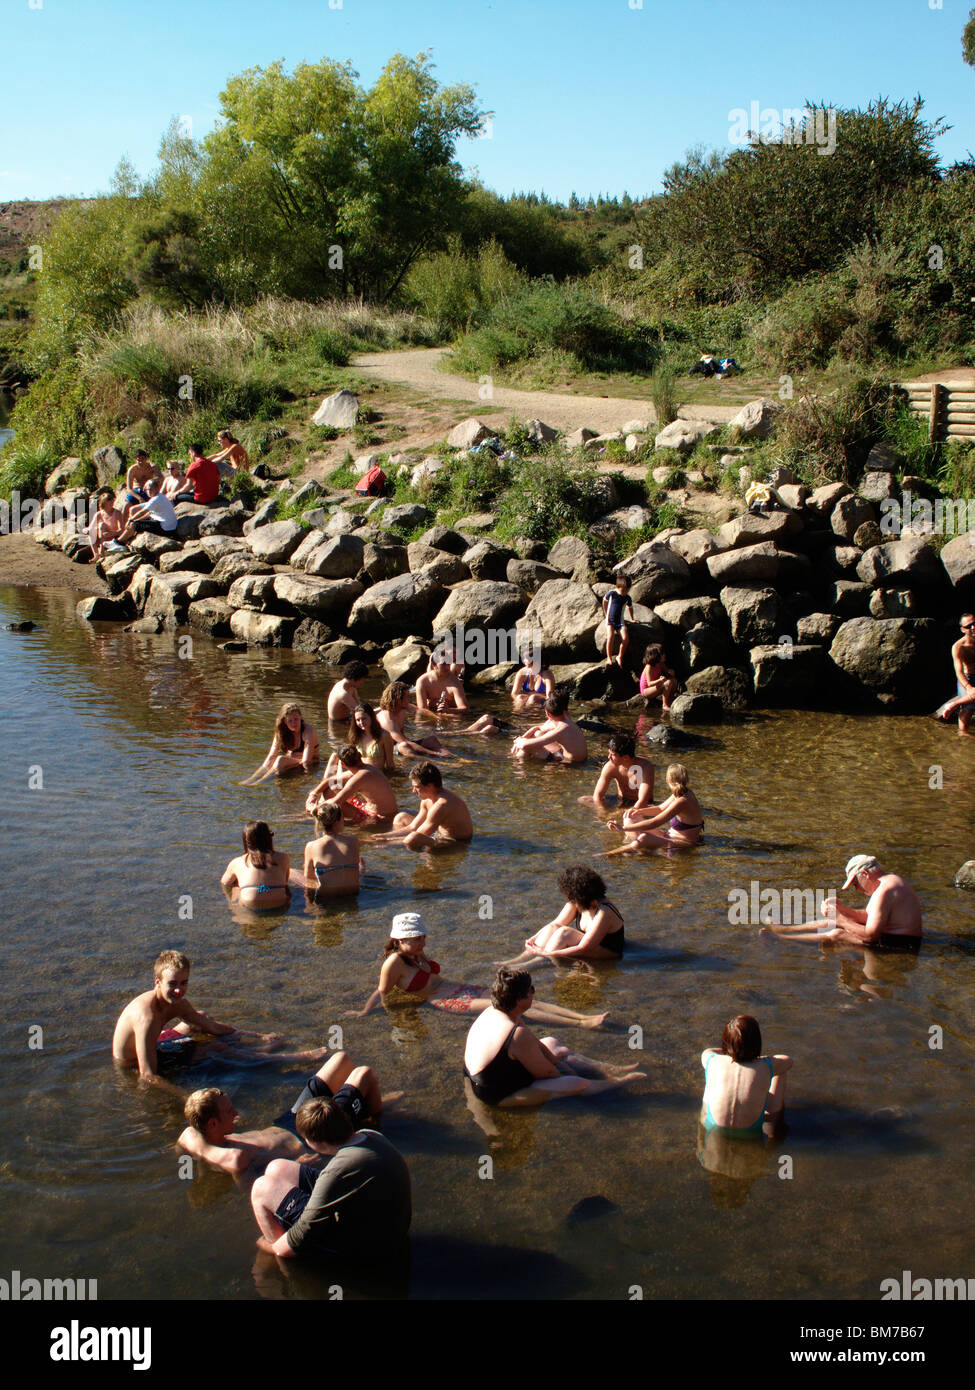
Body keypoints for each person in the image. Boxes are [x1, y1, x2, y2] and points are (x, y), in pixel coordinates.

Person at [112, 950, 322, 1097]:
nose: (179, 990)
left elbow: (213, 1028)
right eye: (172, 984)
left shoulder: (176, 1003)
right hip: (133, 1062)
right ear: (157, 982)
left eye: (184, 983)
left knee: (199, 1020)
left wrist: (257, 1035)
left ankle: (260, 1046)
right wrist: (184, 1097)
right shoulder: (146, 1017)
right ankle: (286, 1059)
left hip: (155, 1043)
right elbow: (147, 1075)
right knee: (216, 1048)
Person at [346, 914, 608, 1025]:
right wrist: (369, 1011)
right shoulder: (393, 962)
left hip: (456, 987)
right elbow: (382, 992)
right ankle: (583, 1025)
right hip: (443, 999)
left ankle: (582, 1017)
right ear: (399, 941)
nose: (421, 942)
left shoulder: (416, 953)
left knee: (522, 998)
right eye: (415, 939)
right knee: (511, 1008)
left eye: (422, 937)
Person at [249, 1102, 412, 1269]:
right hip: (388, 1228)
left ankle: (286, 1262)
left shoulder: (338, 1170)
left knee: (261, 1188)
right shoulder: (369, 1135)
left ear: (313, 1142)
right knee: (277, 1167)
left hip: (370, 1250)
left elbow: (301, 1233)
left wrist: (272, 1248)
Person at [463, 968, 645, 1107]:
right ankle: (617, 1082)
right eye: (531, 990)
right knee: (576, 1083)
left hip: (500, 1071)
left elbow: (538, 1045)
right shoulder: (516, 1033)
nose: (534, 993)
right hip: (496, 1093)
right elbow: (546, 1073)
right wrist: (565, 1074)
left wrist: (561, 1063)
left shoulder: (497, 1010)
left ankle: (610, 1069)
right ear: (519, 1000)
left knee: (551, 1043)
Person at [760, 854, 922, 951]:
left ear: (865, 874)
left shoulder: (884, 890)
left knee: (836, 933)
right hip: (895, 937)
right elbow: (868, 917)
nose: (856, 889)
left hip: (902, 945)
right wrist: (842, 910)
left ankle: (781, 938)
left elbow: (872, 935)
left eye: (855, 884)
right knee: (831, 922)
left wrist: (840, 919)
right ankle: (785, 928)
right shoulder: (887, 882)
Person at [500, 866, 626, 966]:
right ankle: (519, 959)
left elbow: (584, 947)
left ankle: (533, 964)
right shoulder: (578, 902)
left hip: (608, 952)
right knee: (553, 928)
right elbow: (556, 924)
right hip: (587, 946)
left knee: (564, 933)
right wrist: (534, 938)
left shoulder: (604, 911)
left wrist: (546, 953)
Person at [700, 1015, 791, 1137]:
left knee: (711, 1075)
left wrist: (730, 1049)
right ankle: (772, 1128)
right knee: (780, 1071)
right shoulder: (766, 1065)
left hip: (714, 1125)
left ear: (726, 1042)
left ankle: (702, 1139)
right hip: (750, 1129)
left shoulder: (712, 1059)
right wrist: (764, 1060)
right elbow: (788, 1061)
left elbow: (709, 1051)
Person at [603, 762, 703, 853]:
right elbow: (660, 809)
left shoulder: (683, 801)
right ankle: (639, 850)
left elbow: (655, 822)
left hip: (683, 843)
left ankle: (610, 854)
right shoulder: (682, 793)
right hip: (668, 836)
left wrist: (623, 828)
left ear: (667, 780)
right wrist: (637, 811)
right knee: (629, 817)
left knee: (643, 839)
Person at [370, 761, 471, 849]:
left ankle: (388, 847)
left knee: (413, 838)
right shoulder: (427, 800)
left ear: (430, 786)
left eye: (416, 787)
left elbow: (418, 834)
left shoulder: (442, 805)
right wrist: (384, 835)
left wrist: (385, 841)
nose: (413, 791)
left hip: (454, 842)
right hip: (438, 835)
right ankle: (395, 846)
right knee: (400, 818)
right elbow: (413, 827)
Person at [305, 745, 398, 822]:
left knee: (327, 807)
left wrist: (313, 808)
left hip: (378, 818)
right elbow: (330, 780)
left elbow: (336, 802)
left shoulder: (360, 777)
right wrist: (313, 794)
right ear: (360, 755)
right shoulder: (366, 768)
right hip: (369, 808)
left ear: (342, 764)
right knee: (331, 789)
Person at [241, 702, 320, 785]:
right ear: (285, 722)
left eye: (296, 719)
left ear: (300, 716)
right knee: (275, 761)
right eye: (290, 721)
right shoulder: (281, 731)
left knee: (279, 760)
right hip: (293, 762)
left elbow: (306, 761)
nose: (294, 723)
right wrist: (255, 776)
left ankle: (259, 783)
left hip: (310, 765)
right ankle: (251, 781)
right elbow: (271, 757)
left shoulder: (308, 731)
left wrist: (282, 762)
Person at [220, 822, 291, 911]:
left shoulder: (237, 862)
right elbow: (285, 881)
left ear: (246, 840)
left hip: (251, 902)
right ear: (269, 838)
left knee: (235, 887)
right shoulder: (283, 857)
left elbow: (225, 883)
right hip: (279, 900)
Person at [511, 688, 588, 764]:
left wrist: (518, 740)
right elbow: (537, 728)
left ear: (548, 714)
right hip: (567, 755)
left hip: (569, 763)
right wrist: (524, 737)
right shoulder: (565, 718)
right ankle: (518, 759)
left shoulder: (561, 729)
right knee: (537, 733)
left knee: (529, 748)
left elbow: (524, 745)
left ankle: (517, 765)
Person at [303, 801, 361, 897]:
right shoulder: (353, 842)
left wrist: (309, 905)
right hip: (352, 893)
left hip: (327, 896)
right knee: (360, 865)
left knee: (293, 873)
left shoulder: (311, 846)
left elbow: (308, 880)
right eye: (343, 818)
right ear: (337, 821)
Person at [580, 733, 655, 808]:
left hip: (644, 804)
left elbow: (643, 800)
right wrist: (602, 812)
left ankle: (622, 813)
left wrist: (629, 811)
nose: (609, 757)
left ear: (625, 757)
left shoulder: (645, 767)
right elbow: (597, 795)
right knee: (583, 799)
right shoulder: (610, 766)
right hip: (621, 800)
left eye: (612, 754)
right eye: (609, 753)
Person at [934, 614, 975, 736]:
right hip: (967, 678)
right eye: (968, 626)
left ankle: (954, 704)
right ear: (963, 629)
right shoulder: (958, 647)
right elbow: (959, 671)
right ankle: (962, 733)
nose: (973, 627)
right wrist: (969, 687)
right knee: (968, 708)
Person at [115, 479, 179, 544]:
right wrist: (135, 520)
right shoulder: (159, 497)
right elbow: (148, 514)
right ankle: (123, 539)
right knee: (136, 522)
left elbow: (142, 512)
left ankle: (119, 542)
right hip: (169, 527)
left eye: (150, 489)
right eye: (147, 490)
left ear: (157, 488)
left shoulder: (156, 499)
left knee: (136, 524)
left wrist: (130, 520)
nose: (148, 491)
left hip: (166, 529)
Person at [349, 701, 395, 771]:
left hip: (375, 775)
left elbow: (390, 764)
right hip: (359, 773)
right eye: (358, 720)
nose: (361, 722)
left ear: (371, 717)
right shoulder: (355, 736)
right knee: (335, 758)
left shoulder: (384, 736)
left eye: (364, 718)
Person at [120, 451, 163, 524]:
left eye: (142, 459)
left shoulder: (151, 466)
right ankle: (123, 527)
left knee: (153, 506)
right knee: (126, 506)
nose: (140, 461)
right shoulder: (133, 469)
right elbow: (129, 489)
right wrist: (139, 498)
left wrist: (150, 480)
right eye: (138, 460)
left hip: (148, 490)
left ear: (146, 458)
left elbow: (161, 478)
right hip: (136, 490)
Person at [602, 575, 634, 668]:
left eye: (627, 590)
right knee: (610, 636)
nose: (624, 593)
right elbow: (604, 601)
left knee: (625, 639)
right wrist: (605, 612)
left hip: (620, 621)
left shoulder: (627, 598)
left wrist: (632, 618)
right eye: (623, 590)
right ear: (617, 587)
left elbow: (630, 607)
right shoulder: (612, 593)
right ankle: (609, 657)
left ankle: (620, 656)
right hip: (610, 620)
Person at [639, 644, 679, 713]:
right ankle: (664, 705)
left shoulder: (661, 664)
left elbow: (667, 673)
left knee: (674, 681)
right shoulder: (649, 667)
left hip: (656, 686)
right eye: (662, 654)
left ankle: (670, 700)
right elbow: (649, 684)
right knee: (668, 683)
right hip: (646, 690)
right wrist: (660, 680)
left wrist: (670, 672)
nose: (665, 655)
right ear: (656, 656)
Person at [88, 488, 124, 560]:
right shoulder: (99, 514)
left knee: (101, 525)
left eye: (112, 499)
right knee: (93, 531)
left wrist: (112, 534)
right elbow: (91, 527)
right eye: (109, 499)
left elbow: (121, 529)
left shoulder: (117, 513)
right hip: (103, 536)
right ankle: (96, 554)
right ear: (104, 502)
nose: (112, 501)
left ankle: (101, 550)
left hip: (113, 537)